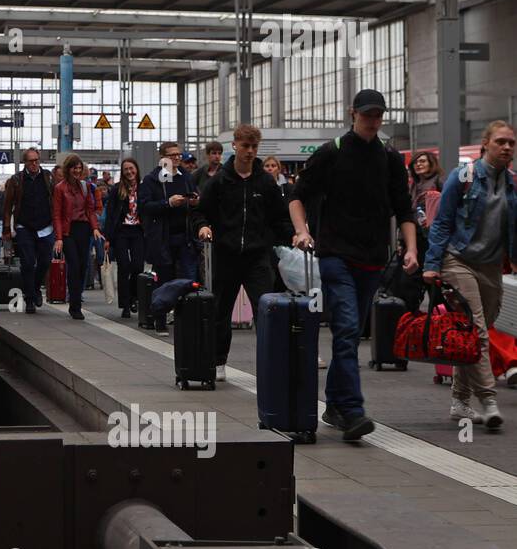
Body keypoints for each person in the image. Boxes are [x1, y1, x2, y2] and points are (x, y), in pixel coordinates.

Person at [290, 89, 417, 441]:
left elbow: (404, 209)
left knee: (350, 333)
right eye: (367, 115)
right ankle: (353, 409)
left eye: (378, 115)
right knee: (346, 329)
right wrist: (302, 231)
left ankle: (333, 406)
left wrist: (411, 248)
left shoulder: (390, 159)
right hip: (335, 255)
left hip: (373, 259)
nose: (373, 121)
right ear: (352, 114)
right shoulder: (332, 152)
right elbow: (297, 196)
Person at [422, 120, 516, 429]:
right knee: (478, 331)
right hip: (458, 260)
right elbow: (443, 221)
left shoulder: (513, 183)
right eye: (500, 141)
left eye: (511, 143)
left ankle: (460, 402)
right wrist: (432, 264)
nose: (507, 147)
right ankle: (488, 401)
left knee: (474, 334)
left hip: (491, 266)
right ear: (486, 144)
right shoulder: (463, 177)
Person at [192, 125, 293, 382]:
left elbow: (280, 218)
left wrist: (294, 234)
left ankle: (271, 363)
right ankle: (218, 361)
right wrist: (203, 226)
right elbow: (200, 212)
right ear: (235, 145)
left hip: (257, 257)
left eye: (254, 147)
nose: (249, 151)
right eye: (245, 146)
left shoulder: (266, 183)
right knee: (220, 311)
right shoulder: (220, 182)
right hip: (225, 255)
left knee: (266, 309)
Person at [139, 140, 199, 333]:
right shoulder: (152, 180)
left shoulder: (186, 177)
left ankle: (188, 320)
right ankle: (160, 318)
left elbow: (196, 198)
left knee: (189, 278)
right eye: (172, 155)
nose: (176, 158)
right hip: (162, 237)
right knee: (164, 279)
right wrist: (168, 203)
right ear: (163, 157)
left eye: (178, 155)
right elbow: (145, 207)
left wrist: (194, 201)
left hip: (185, 236)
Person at [3, 148, 55, 314]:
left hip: (45, 227)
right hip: (24, 227)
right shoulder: (16, 180)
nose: (34, 164)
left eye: (36, 160)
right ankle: (30, 298)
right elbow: (7, 206)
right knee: (27, 262)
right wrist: (6, 229)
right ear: (25, 162)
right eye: (31, 161)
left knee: (45, 261)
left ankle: (35, 288)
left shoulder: (48, 177)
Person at [53, 154, 102, 320]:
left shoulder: (86, 187)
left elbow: (90, 209)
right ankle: (75, 305)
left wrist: (95, 227)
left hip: (84, 229)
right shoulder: (60, 188)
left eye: (80, 168)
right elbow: (57, 214)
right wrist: (59, 237)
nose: (77, 171)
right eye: (75, 168)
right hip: (68, 231)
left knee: (83, 267)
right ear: (69, 169)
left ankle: (76, 298)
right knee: (74, 266)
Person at [102, 157, 145, 320]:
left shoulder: (143, 188)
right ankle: (125, 305)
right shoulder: (116, 190)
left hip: (138, 231)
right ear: (122, 172)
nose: (129, 172)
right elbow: (111, 214)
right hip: (121, 231)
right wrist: (108, 238)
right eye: (126, 169)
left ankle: (135, 297)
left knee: (138, 266)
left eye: (131, 168)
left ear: (136, 169)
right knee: (124, 266)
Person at [410, 150, 444, 216]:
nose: (418, 164)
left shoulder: (439, 180)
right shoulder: (414, 183)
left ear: (431, 163)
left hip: (434, 222)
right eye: (415, 162)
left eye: (422, 161)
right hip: (416, 222)